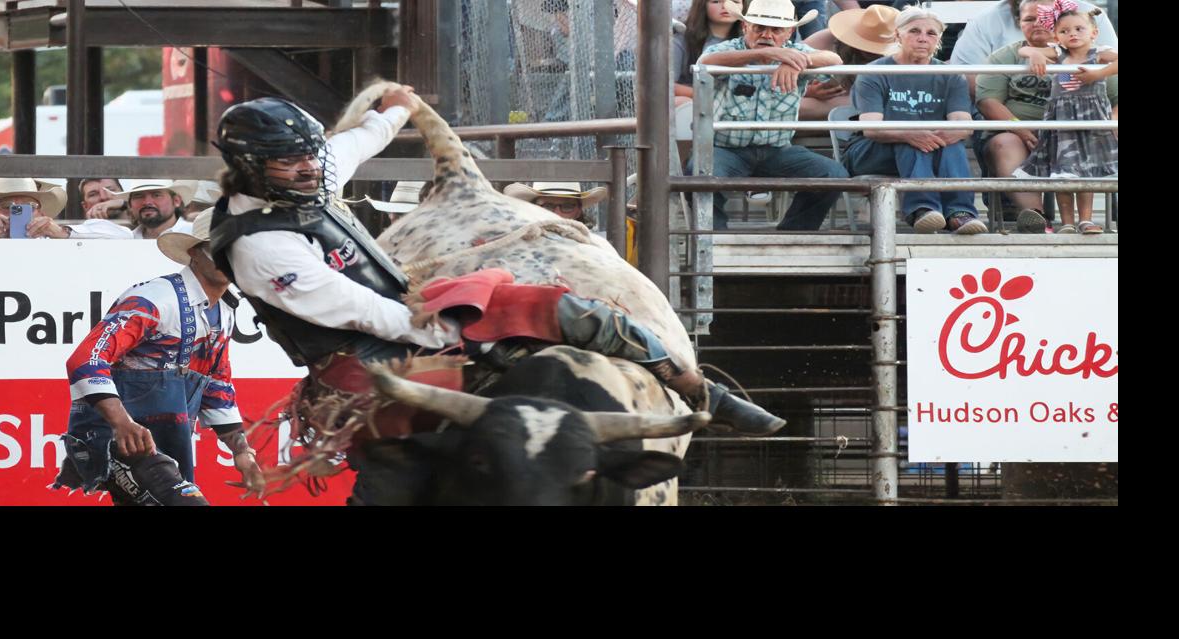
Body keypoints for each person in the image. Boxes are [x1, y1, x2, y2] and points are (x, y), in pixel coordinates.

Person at [206, 92, 782, 498]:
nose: (310, 167)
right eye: (292, 160)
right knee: (402, 466)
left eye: (310, 152)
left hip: (408, 312)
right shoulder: (262, 248)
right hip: (360, 357)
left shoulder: (298, 178)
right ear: (252, 168)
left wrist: (396, 110)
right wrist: (449, 334)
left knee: (557, 306)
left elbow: (345, 151)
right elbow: (353, 309)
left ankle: (700, 388)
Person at [52, 209, 266, 505]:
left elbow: (216, 386)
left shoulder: (225, 312)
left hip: (163, 443)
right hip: (117, 440)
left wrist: (241, 450)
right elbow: (87, 359)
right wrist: (122, 424)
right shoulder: (155, 299)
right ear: (194, 252)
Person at [691, 0, 847, 230]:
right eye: (759, 27)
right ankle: (713, 241)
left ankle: (793, 236)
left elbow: (835, 60)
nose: (767, 34)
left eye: (776, 30)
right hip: (725, 149)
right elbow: (705, 61)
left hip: (777, 150)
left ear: (790, 32)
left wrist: (796, 61)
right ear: (745, 27)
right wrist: (773, 53)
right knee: (700, 175)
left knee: (834, 174)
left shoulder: (796, 52)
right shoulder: (729, 49)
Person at [843, 7, 986, 234]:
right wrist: (913, 134)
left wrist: (938, 136)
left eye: (931, 33)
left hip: (928, 149)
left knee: (950, 144)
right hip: (871, 150)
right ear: (897, 35)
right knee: (912, 140)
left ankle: (960, 214)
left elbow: (962, 123)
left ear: (939, 39)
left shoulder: (951, 75)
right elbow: (871, 129)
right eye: (914, 31)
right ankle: (922, 209)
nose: (922, 38)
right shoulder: (874, 72)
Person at [1014, 1, 1117, 234]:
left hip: (1090, 121)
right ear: (1056, 36)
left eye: (1079, 29)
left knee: (1086, 171)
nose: (1072, 34)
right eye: (1064, 31)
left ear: (1094, 32)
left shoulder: (1098, 54)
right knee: (1062, 171)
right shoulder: (1059, 53)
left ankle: (1086, 219)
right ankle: (1067, 222)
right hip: (1062, 121)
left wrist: (1098, 74)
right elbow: (1023, 49)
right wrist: (1034, 54)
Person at [974, 1, 1058, 232]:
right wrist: (1020, 129)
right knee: (1005, 143)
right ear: (1019, 24)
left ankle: (1079, 221)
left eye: (1044, 18)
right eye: (1029, 19)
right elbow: (988, 102)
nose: (1037, 23)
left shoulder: (1084, 53)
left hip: (1071, 132)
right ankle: (1038, 220)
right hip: (1015, 133)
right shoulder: (1004, 56)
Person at [799, 3, 898, 119]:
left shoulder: (908, 52)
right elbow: (782, 71)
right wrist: (808, 91)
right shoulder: (827, 39)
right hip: (822, 102)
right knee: (800, 105)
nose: (870, 52)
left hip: (871, 103)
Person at [948, 0, 1115, 67]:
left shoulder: (1091, 15)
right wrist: (1015, 124)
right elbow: (967, 80)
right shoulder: (985, 21)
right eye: (1029, 19)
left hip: (1083, 111)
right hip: (1009, 120)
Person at [674, 0, 744, 149]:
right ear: (702, 6)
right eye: (716, 1)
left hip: (741, 103)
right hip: (700, 102)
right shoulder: (682, 40)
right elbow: (664, 85)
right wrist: (706, 95)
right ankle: (687, 164)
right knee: (682, 104)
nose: (725, 6)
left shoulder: (750, 42)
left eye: (735, 1)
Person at [71, 179, 198, 240]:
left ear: (176, 201)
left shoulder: (196, 234)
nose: (147, 202)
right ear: (130, 205)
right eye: (139, 196)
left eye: (156, 195)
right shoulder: (127, 238)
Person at [0, 177, 75, 239]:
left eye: (29, 207)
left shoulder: (55, 247)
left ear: (42, 215)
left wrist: (63, 235)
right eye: (7, 206)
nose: (16, 213)